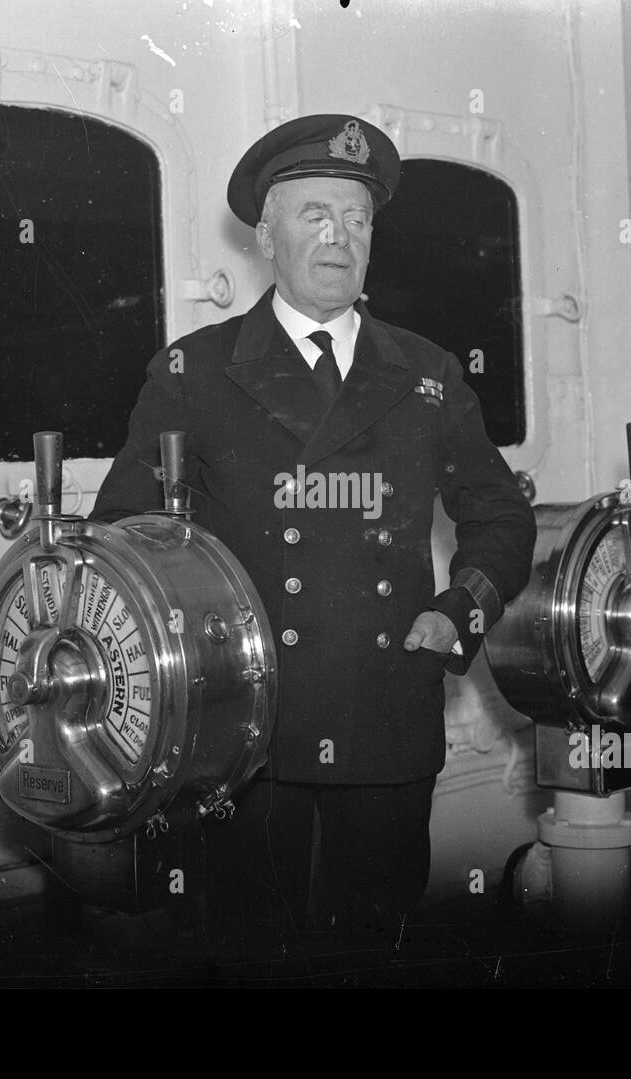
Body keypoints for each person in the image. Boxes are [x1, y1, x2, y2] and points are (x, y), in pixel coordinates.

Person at [90, 114, 536, 950]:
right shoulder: (194, 372)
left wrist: (459, 607)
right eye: (314, 215)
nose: (339, 237)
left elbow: (500, 512)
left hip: (388, 712)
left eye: (358, 218)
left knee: (377, 943)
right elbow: (121, 536)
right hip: (247, 733)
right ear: (264, 235)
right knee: (255, 951)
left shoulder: (429, 373)